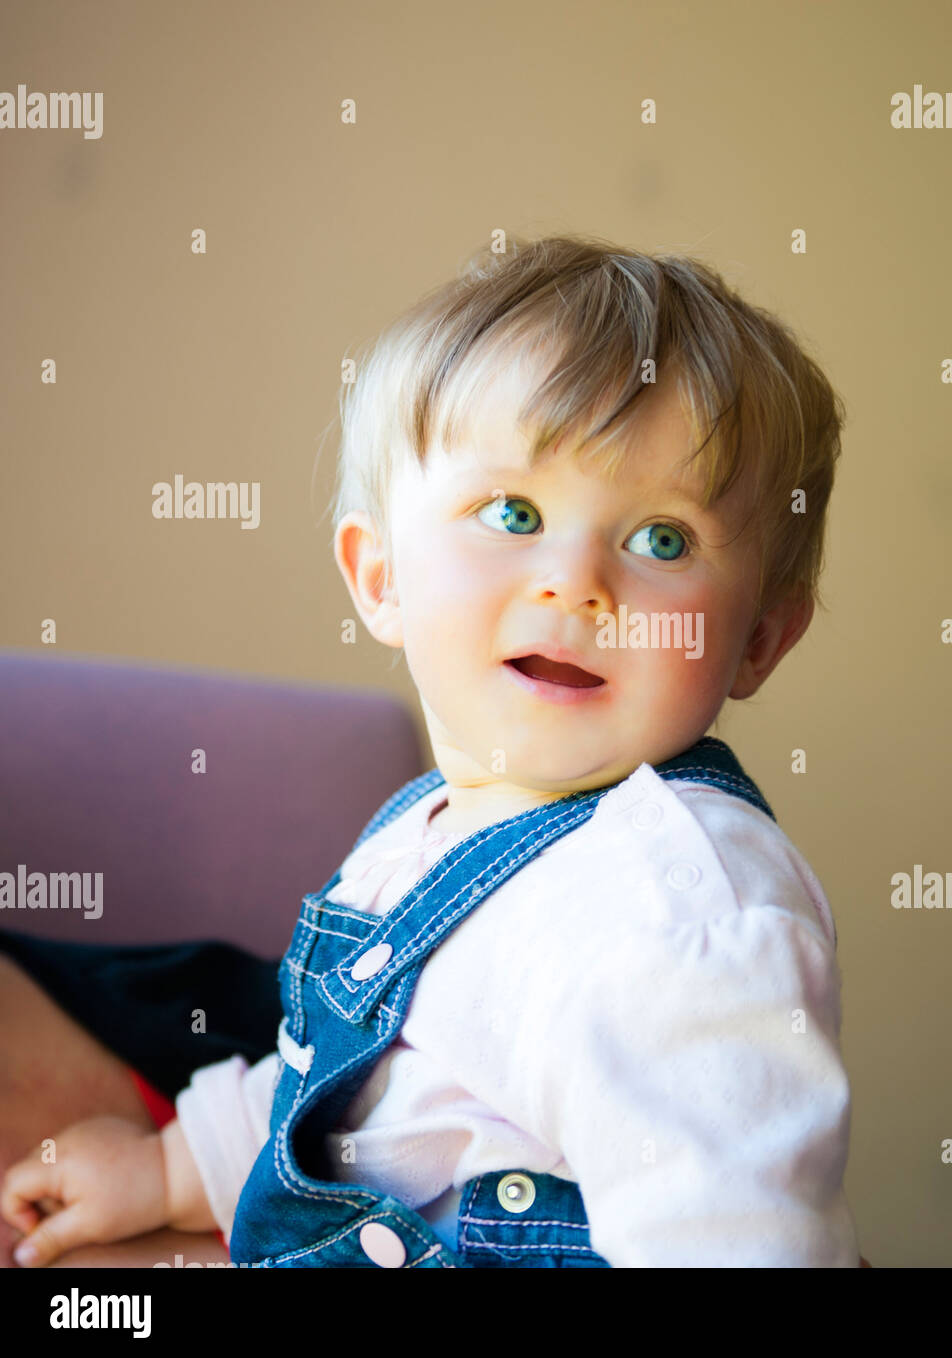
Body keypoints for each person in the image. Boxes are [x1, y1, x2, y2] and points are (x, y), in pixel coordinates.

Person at [1, 234, 862, 1267]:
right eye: (513, 512)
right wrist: (170, 1170)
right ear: (381, 577)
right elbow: (351, 1090)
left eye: (661, 538)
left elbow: (733, 1234)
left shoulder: (678, 906)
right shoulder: (418, 838)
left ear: (759, 635)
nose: (575, 582)